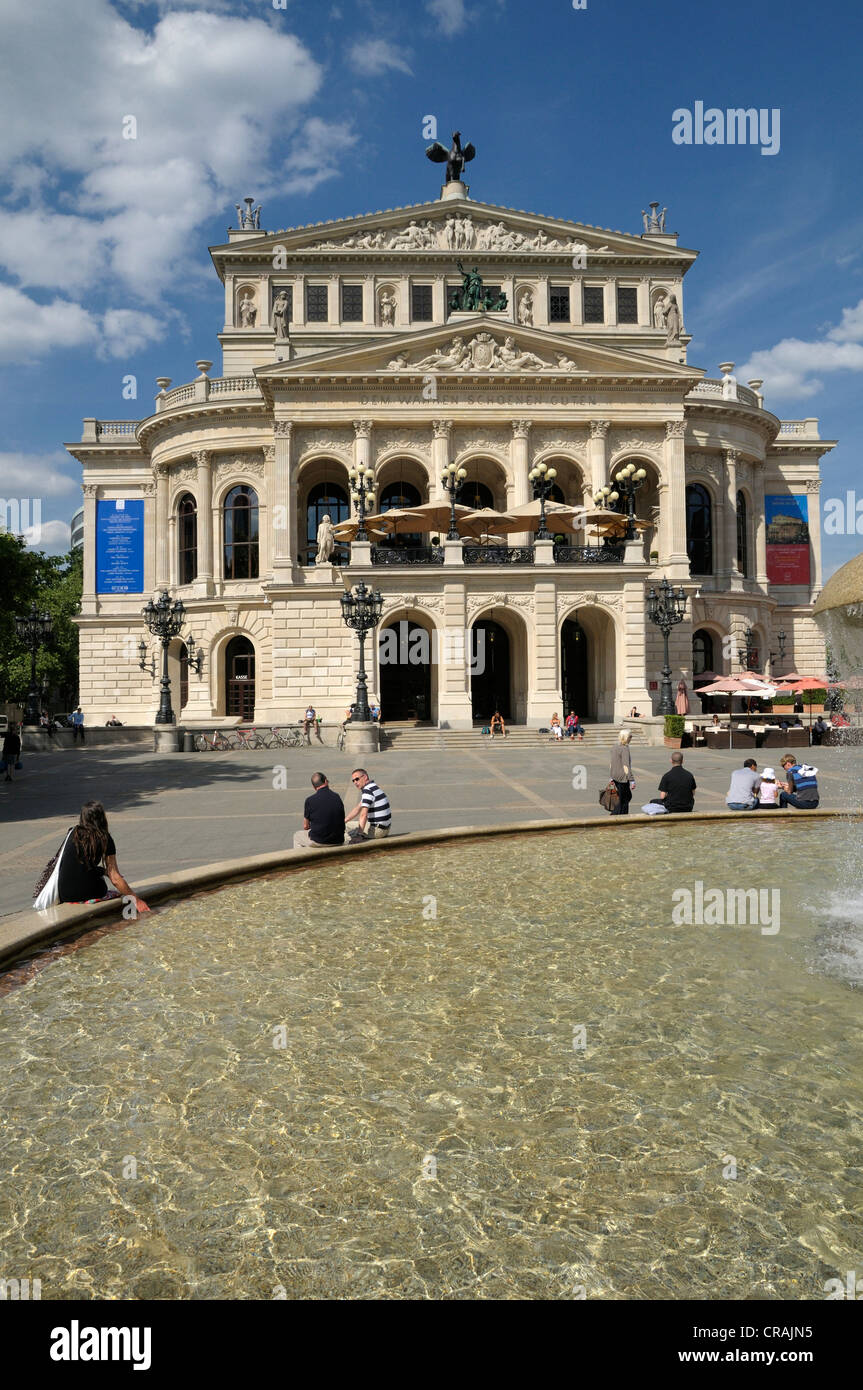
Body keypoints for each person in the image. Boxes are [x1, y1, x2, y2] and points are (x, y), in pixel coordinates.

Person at [57, 801, 149, 912]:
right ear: (102, 818)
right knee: (103, 886)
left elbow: (79, 865)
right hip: (87, 892)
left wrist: (103, 871)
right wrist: (137, 901)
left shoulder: (73, 832)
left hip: (65, 893)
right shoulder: (104, 838)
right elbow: (115, 878)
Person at [293, 772, 346, 848]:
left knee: (297, 835)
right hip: (339, 840)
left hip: (320, 841)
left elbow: (305, 826)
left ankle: (302, 859)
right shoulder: (337, 796)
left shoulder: (310, 800)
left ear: (314, 787)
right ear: (325, 781)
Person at [345, 768, 392, 839]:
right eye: (353, 780)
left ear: (365, 777)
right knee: (345, 823)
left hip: (377, 831)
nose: (355, 782)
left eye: (357, 779)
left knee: (346, 829)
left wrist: (359, 834)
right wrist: (344, 820)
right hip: (385, 829)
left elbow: (363, 815)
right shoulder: (373, 787)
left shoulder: (367, 791)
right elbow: (357, 808)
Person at [609, 730, 634, 815]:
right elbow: (626, 766)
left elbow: (612, 762)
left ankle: (617, 813)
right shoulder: (624, 749)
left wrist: (611, 776)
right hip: (623, 777)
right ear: (626, 738)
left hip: (615, 775)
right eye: (630, 736)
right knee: (624, 799)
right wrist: (631, 780)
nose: (631, 738)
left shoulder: (615, 746)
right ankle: (620, 816)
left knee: (622, 797)